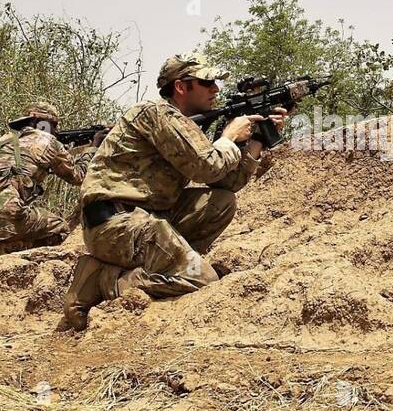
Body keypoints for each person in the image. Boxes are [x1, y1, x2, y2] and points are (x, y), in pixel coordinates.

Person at [61, 55, 284, 330]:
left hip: (148, 220)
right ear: (181, 87)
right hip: (116, 223)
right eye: (207, 82)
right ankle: (104, 280)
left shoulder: (184, 123)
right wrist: (227, 138)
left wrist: (257, 141)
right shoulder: (156, 113)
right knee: (203, 280)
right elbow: (205, 168)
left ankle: (173, 264)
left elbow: (227, 183)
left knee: (221, 202)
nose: (215, 89)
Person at [0, 101, 99, 261]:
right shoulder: (49, 142)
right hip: (5, 213)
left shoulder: (2, 141)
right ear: (44, 124)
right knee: (60, 228)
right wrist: (93, 147)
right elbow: (79, 176)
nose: (56, 130)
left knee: (0, 222)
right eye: (54, 125)